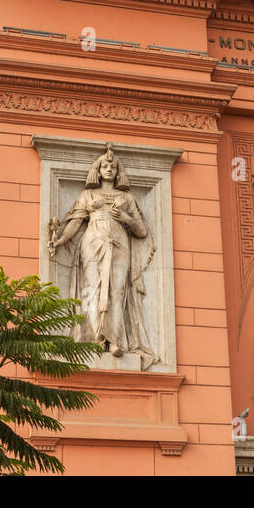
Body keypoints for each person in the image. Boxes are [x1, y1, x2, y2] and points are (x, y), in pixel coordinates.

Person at [49, 144, 157, 369]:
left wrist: (126, 218)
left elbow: (142, 231)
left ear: (118, 172)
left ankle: (115, 341)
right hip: (93, 244)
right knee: (94, 289)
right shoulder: (87, 194)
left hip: (119, 246)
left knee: (116, 292)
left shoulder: (126, 198)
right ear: (97, 171)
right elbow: (75, 223)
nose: (109, 168)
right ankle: (97, 340)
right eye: (104, 165)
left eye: (113, 166)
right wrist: (59, 240)